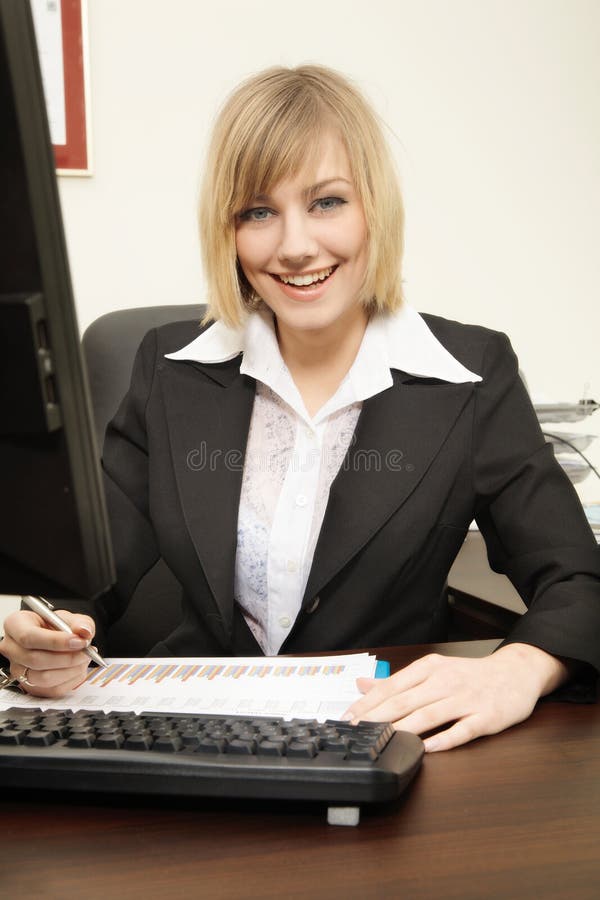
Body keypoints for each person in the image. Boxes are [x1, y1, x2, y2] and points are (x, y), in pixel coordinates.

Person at [1, 65, 599, 752]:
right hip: (195, 743)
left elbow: (577, 581)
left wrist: (517, 670)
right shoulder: (170, 371)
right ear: (227, 229)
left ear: (374, 205)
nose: (294, 246)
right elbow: (86, 578)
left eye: (327, 202)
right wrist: (45, 637)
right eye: (258, 211)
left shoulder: (469, 376)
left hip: (382, 743)